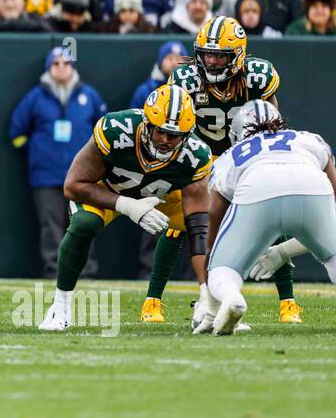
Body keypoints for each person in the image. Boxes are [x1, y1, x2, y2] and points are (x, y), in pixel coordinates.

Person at [201, 101, 336, 336]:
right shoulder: (308, 140)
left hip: (257, 187)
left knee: (223, 268)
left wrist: (214, 256)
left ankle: (231, 298)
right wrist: (284, 251)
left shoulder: (231, 155)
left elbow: (214, 212)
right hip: (312, 184)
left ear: (237, 132)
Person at [39, 84, 213, 331]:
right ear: (147, 123)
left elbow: (199, 227)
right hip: (108, 191)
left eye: (173, 135)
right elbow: (73, 185)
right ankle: (60, 306)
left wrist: (206, 292)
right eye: (160, 131)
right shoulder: (115, 130)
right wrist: (128, 205)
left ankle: (213, 302)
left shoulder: (196, 155)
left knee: (213, 228)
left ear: (186, 135)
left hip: (161, 198)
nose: (165, 140)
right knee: (84, 224)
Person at [163, 16, 302, 325]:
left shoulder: (258, 77)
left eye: (220, 56)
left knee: (274, 216)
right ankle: (194, 300)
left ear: (238, 56)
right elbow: (179, 125)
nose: (211, 62)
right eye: (207, 54)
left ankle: (288, 302)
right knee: (191, 223)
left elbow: (273, 123)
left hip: (246, 155)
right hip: (204, 156)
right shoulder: (185, 79)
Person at [9, 47, 108, 278]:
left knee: (85, 223)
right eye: (56, 64)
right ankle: (54, 270)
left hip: (84, 178)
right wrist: (36, 152)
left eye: (66, 63)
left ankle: (86, 271)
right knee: (51, 228)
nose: (61, 68)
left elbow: (105, 133)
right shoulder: (35, 97)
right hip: (46, 176)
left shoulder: (89, 96)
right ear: (48, 68)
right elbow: (16, 133)